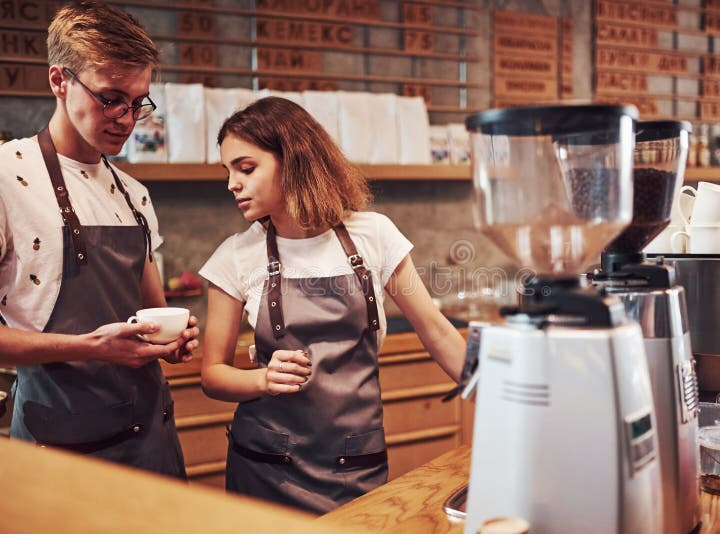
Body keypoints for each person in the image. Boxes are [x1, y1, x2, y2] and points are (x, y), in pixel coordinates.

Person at [200, 96, 467, 513]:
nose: (231, 183)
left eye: (246, 168)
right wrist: (261, 381)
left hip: (354, 464)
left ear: (293, 159)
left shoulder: (374, 235)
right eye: (228, 171)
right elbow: (212, 375)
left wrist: (490, 393)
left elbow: (434, 328)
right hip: (267, 471)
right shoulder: (235, 256)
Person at [0, 1, 198, 478]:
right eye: (110, 98)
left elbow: (150, 306)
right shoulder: (8, 177)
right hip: (60, 446)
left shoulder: (134, 194)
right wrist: (91, 347)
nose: (126, 118)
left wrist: (173, 339)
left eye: (138, 102)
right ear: (59, 80)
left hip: (151, 438)